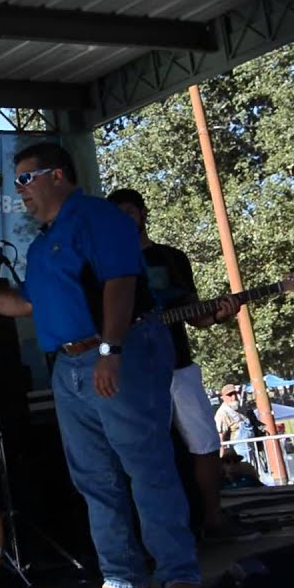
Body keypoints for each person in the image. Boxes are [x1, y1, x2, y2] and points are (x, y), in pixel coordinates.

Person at [0, 143, 201, 588]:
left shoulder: (99, 218)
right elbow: (28, 302)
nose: (20, 190)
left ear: (58, 175)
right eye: (17, 181)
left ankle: (179, 573)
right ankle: (123, 577)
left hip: (118, 352)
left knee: (147, 467)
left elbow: (121, 284)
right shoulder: (42, 242)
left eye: (26, 179)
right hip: (69, 365)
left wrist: (110, 351)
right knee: (94, 477)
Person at [105, 188, 251, 541]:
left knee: (204, 443)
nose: (124, 220)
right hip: (134, 373)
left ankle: (213, 519)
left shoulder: (171, 258)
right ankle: (166, 533)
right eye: (117, 215)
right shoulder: (106, 264)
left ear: (143, 213)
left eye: (129, 212)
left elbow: (194, 314)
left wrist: (218, 314)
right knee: (150, 452)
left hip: (178, 365)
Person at [214, 385, 255, 464]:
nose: (233, 397)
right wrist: (221, 461)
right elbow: (220, 438)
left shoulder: (239, 408)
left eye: (235, 393)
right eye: (229, 395)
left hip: (251, 448)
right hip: (239, 450)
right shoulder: (222, 413)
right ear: (223, 397)